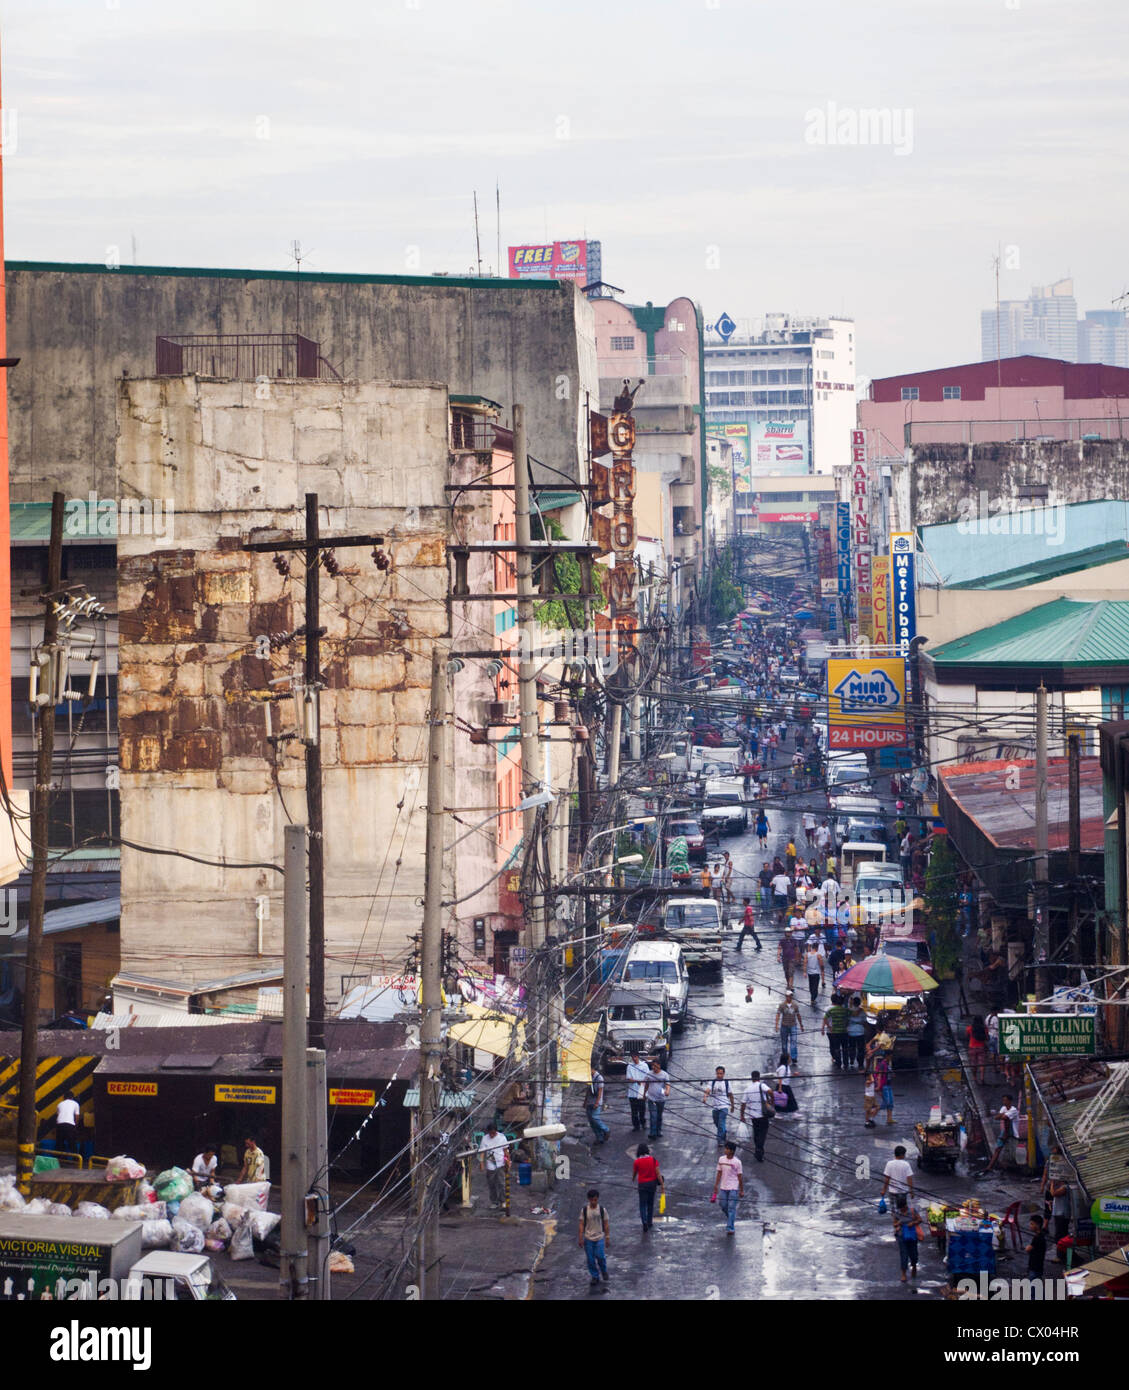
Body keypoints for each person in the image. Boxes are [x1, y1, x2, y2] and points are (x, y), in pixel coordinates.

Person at [1042, 1144, 1074, 1251]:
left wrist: (1051, 1183)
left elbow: (1054, 1193)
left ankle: (1061, 1255)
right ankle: (1061, 1253)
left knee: (1060, 1235)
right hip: (1059, 1213)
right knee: (1060, 1234)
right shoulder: (1064, 1186)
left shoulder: (1065, 1187)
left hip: (1062, 1214)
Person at [740, 1069, 774, 1162]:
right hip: (763, 1115)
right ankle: (759, 1151)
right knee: (762, 1134)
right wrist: (772, 1100)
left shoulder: (747, 1089)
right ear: (759, 1077)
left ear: (752, 1078)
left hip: (753, 1116)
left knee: (756, 1133)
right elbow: (770, 1091)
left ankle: (758, 1150)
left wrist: (742, 1116)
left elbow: (743, 1104)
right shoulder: (761, 1085)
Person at [578, 1189, 610, 1287]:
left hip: (599, 1237)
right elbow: (581, 1224)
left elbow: (606, 1224)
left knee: (600, 1256)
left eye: (595, 1200)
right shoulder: (584, 1210)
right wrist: (580, 1237)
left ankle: (604, 1271)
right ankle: (595, 1276)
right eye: (592, 1200)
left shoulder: (602, 1210)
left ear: (597, 1199)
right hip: (588, 1239)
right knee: (590, 1259)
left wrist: (607, 1237)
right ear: (589, 1199)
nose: (593, 1202)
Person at [712, 1140, 745, 1234]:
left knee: (731, 1207)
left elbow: (739, 1177)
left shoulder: (737, 1162)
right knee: (723, 1205)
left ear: (732, 1151)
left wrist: (741, 1190)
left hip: (733, 1188)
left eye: (727, 1149)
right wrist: (716, 1185)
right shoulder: (721, 1159)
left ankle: (730, 1227)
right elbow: (719, 1172)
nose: (725, 1150)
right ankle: (731, 1218)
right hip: (723, 1187)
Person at [983, 1095, 1021, 1173]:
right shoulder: (1004, 1108)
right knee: (998, 1149)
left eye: (1005, 1100)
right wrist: (1002, 1115)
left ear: (1010, 1101)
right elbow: (997, 1117)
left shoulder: (1014, 1110)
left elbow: (1004, 1117)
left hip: (1013, 1133)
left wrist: (1002, 1115)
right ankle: (989, 1167)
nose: (1004, 1102)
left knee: (1011, 1153)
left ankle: (1010, 1168)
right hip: (1005, 1132)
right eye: (1003, 1100)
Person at [479, 1121, 511, 1208]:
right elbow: (482, 1152)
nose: (492, 1135)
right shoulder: (485, 1138)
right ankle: (494, 1202)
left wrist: (508, 1160)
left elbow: (505, 1150)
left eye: (493, 1133)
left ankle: (503, 1201)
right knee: (491, 1184)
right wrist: (481, 1163)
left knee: (502, 1183)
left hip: (500, 1162)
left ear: (496, 1132)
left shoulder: (502, 1138)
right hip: (490, 1164)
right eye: (490, 1133)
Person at [632, 1143, 664, 1232]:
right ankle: (650, 1222)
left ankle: (644, 1222)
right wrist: (662, 1184)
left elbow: (635, 1173)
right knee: (650, 1204)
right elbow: (658, 1173)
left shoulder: (637, 1161)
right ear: (647, 1150)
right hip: (652, 1184)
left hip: (642, 1184)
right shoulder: (653, 1160)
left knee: (642, 1204)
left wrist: (633, 1179)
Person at [892, 1194, 923, 1282]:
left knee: (913, 1253)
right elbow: (894, 1224)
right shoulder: (897, 1213)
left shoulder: (912, 1211)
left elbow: (920, 1220)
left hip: (912, 1235)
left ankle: (914, 1266)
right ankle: (903, 1274)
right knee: (903, 1254)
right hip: (902, 1236)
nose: (901, 1210)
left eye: (903, 1208)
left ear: (905, 1206)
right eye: (900, 1208)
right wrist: (898, 1224)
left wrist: (913, 1223)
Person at [704, 1066, 734, 1144]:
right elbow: (707, 1090)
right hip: (715, 1107)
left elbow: (731, 1094)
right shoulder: (712, 1082)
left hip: (724, 1106)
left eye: (721, 1074)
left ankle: (720, 1140)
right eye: (718, 1073)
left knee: (721, 1122)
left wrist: (732, 1105)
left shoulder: (727, 1083)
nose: (719, 1075)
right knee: (716, 1122)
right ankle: (723, 1131)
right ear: (716, 1073)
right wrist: (705, 1097)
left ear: (724, 1074)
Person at [775, 989, 804, 1064]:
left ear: (792, 997)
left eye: (790, 996)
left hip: (793, 1025)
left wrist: (801, 1025)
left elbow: (798, 1015)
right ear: (786, 997)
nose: (789, 998)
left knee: (793, 1042)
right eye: (787, 996)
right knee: (784, 1043)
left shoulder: (795, 1005)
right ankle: (785, 1057)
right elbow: (778, 1015)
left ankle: (794, 1057)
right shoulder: (782, 1005)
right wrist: (776, 1025)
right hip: (784, 1026)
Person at [821, 991, 848, 1067]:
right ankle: (845, 1063)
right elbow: (848, 1018)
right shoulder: (844, 1010)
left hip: (832, 1031)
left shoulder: (828, 1009)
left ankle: (837, 1061)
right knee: (844, 1047)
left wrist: (825, 1027)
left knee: (835, 1047)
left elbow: (824, 1019)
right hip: (843, 1031)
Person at [645, 1058, 670, 1138]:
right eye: (653, 1066)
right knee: (653, 1116)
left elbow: (667, 1085)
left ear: (659, 1066)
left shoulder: (665, 1074)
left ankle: (658, 1131)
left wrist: (667, 1091)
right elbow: (646, 1084)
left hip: (661, 1099)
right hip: (651, 1098)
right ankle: (653, 1133)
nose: (654, 1068)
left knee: (659, 1116)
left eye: (655, 1066)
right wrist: (643, 1094)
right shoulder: (649, 1074)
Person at [584, 1066, 610, 1144]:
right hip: (589, 1101)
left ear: (593, 1069)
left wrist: (597, 1103)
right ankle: (599, 1137)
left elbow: (600, 1092)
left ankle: (606, 1129)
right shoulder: (589, 1078)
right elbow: (588, 1090)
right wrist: (585, 1101)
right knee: (591, 1121)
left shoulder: (599, 1078)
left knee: (595, 1118)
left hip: (596, 1102)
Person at [626, 1051, 649, 1132]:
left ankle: (643, 1123)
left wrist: (644, 1088)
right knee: (634, 1111)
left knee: (642, 1109)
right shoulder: (629, 1066)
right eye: (632, 1057)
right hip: (632, 1091)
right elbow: (629, 1078)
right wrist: (637, 1081)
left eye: (635, 1057)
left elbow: (647, 1078)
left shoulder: (644, 1065)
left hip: (641, 1089)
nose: (634, 1058)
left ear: (638, 1056)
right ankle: (636, 1126)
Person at [845, 994, 867, 1069]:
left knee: (852, 1047)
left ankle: (851, 1060)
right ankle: (860, 1064)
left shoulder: (849, 1011)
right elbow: (864, 1022)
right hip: (860, 1032)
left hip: (851, 1032)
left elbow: (846, 1021)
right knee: (860, 1048)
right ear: (859, 1003)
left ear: (853, 1002)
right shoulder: (862, 1012)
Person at [967, 1015, 988, 1085]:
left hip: (972, 1047)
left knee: (974, 1064)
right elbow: (987, 1038)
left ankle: (975, 1078)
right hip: (982, 1047)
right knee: (982, 1063)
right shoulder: (985, 1029)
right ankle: (982, 1078)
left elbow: (967, 1036)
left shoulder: (970, 1028)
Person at [804, 937, 825, 1005]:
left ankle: (812, 998)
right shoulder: (818, 955)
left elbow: (805, 964)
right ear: (817, 948)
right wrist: (822, 971)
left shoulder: (807, 954)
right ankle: (813, 999)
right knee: (815, 987)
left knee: (811, 985)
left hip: (810, 973)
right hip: (816, 973)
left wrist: (804, 972)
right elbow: (821, 965)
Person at [1026, 1213, 1047, 1278]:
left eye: (1032, 1224)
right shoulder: (1041, 1235)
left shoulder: (1037, 1238)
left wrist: (1027, 1247)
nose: (1030, 1225)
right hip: (1039, 1266)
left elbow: (1028, 1249)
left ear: (1037, 1225)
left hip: (1034, 1267)